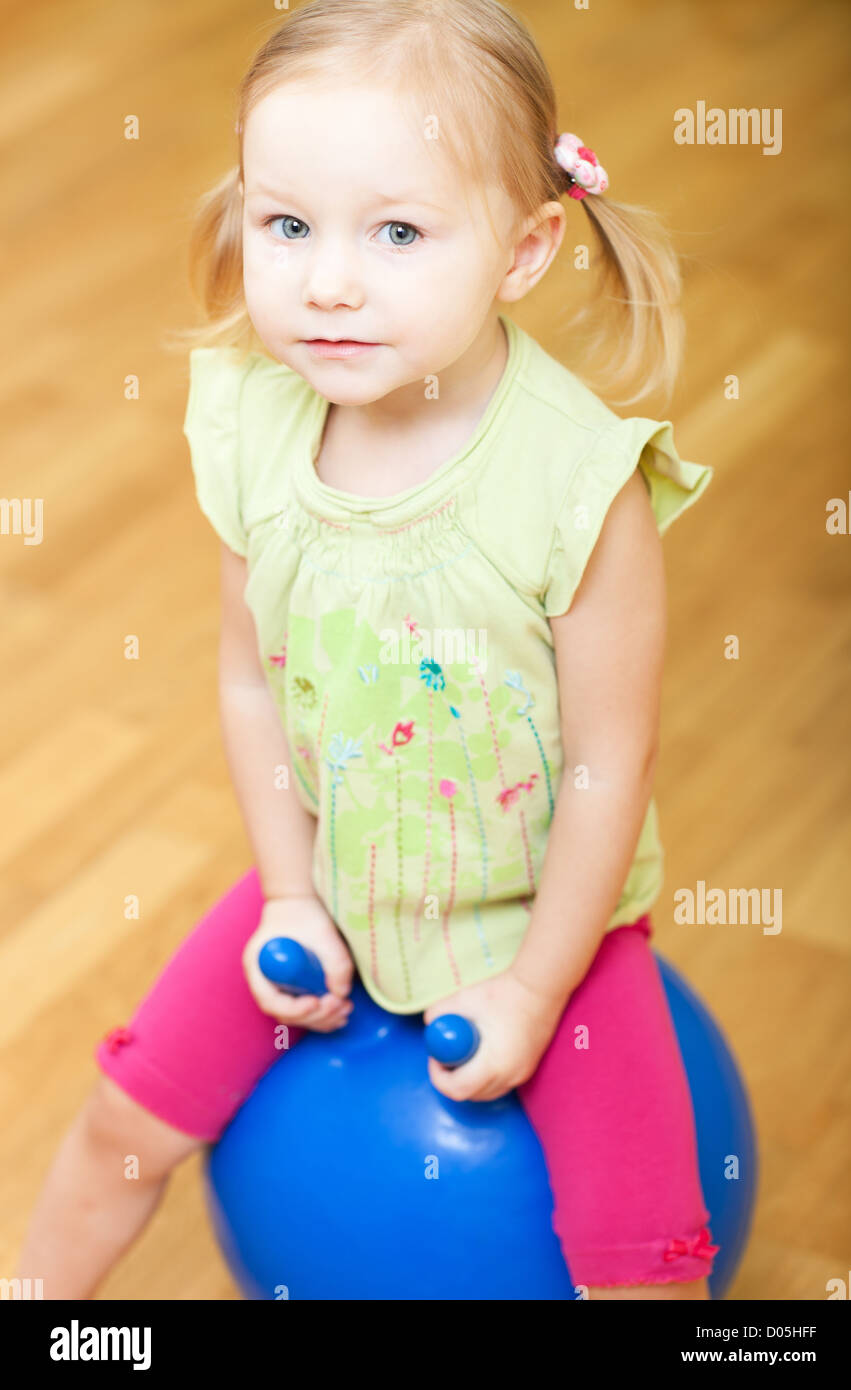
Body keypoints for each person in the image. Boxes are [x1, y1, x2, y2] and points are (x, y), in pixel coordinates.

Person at [15, 0, 719, 1300]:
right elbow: (247, 673)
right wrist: (289, 890)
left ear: (523, 250)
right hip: (336, 872)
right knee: (125, 1119)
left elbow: (609, 771)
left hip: (545, 923)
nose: (327, 279)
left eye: (396, 231)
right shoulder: (252, 428)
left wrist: (528, 986)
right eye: (289, 225)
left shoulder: (579, 487)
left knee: (643, 1257)